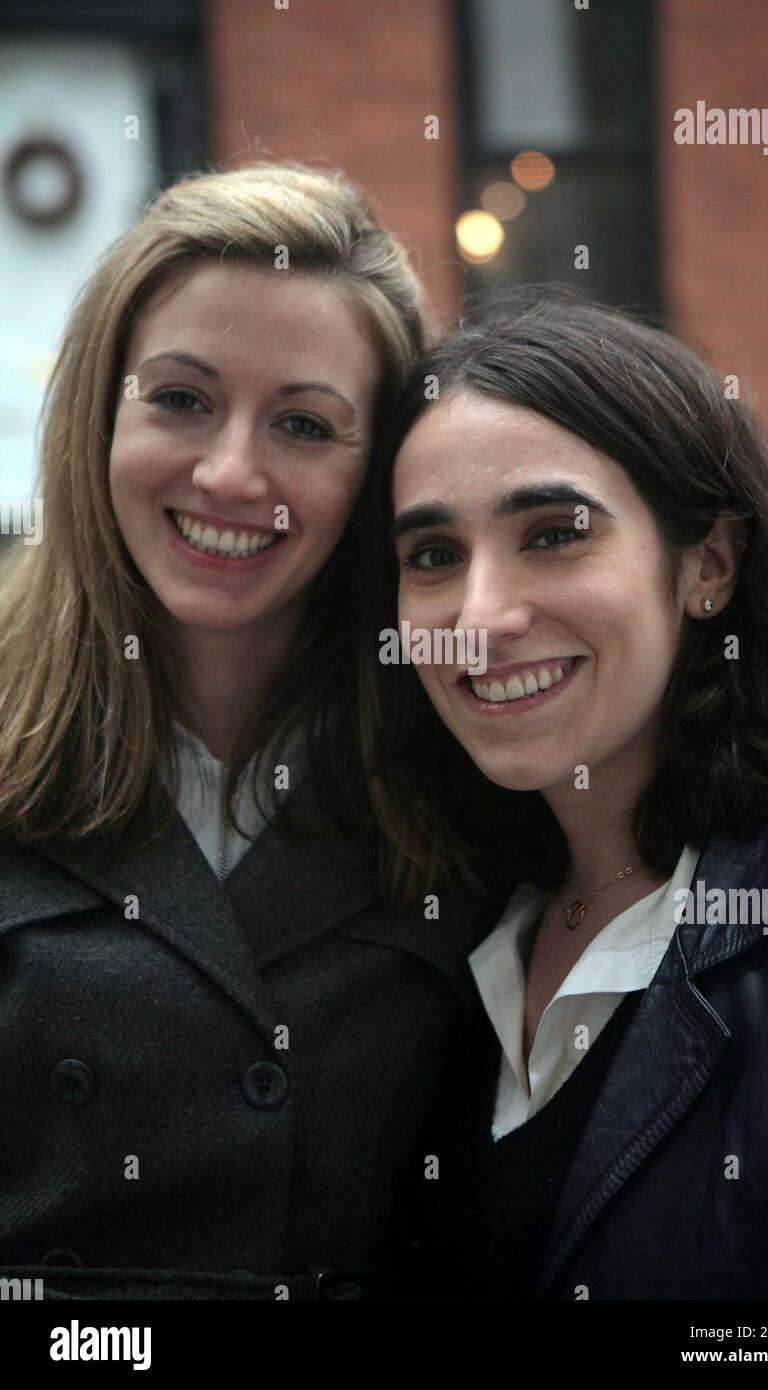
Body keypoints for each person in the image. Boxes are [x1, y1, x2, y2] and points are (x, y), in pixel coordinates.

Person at [0, 162, 507, 1301]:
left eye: (302, 423)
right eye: (179, 399)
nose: (231, 473)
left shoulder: (467, 762)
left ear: (376, 471)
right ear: (99, 412)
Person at [361, 289, 768, 1299]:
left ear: (706, 564)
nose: (479, 615)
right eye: (431, 556)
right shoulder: (444, 931)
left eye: (552, 533)